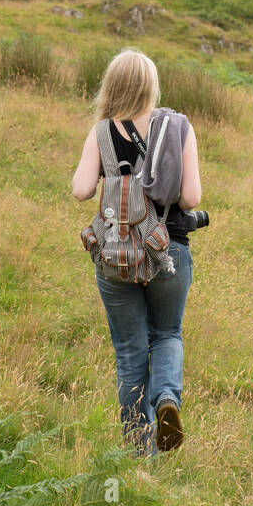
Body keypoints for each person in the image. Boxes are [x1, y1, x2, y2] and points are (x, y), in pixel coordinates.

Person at [72, 48, 202, 457]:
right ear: (151, 85)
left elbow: (80, 190)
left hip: (115, 257)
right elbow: (192, 196)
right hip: (169, 250)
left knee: (130, 352)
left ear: (111, 85)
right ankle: (166, 398)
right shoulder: (178, 127)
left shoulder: (100, 132)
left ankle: (138, 455)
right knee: (166, 334)